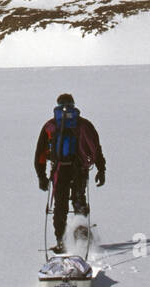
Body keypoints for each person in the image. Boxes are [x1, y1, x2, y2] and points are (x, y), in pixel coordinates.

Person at [35, 93, 106, 253]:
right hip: (79, 169)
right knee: (79, 201)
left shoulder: (51, 126)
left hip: (59, 171)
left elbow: (40, 153)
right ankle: (81, 237)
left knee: (60, 206)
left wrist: (41, 176)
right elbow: (96, 148)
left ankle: (61, 240)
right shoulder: (84, 125)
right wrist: (101, 170)